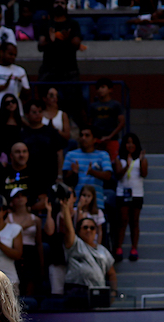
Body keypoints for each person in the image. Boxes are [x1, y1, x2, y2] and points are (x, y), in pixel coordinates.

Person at [58, 183, 116, 308]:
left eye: (92, 228)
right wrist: (66, 208)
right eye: (85, 227)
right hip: (76, 291)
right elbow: (68, 230)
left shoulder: (103, 250)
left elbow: (111, 273)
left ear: (96, 231)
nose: (89, 230)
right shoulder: (75, 244)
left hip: (99, 291)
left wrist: (113, 292)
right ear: (79, 231)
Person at [113, 132, 148, 261]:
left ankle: (134, 248)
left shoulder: (140, 159)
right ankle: (119, 248)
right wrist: (127, 166)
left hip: (137, 193)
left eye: (133, 142)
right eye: (128, 142)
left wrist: (143, 160)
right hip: (122, 193)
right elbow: (118, 175)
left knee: (134, 221)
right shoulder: (119, 159)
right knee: (122, 220)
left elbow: (144, 174)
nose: (130, 145)